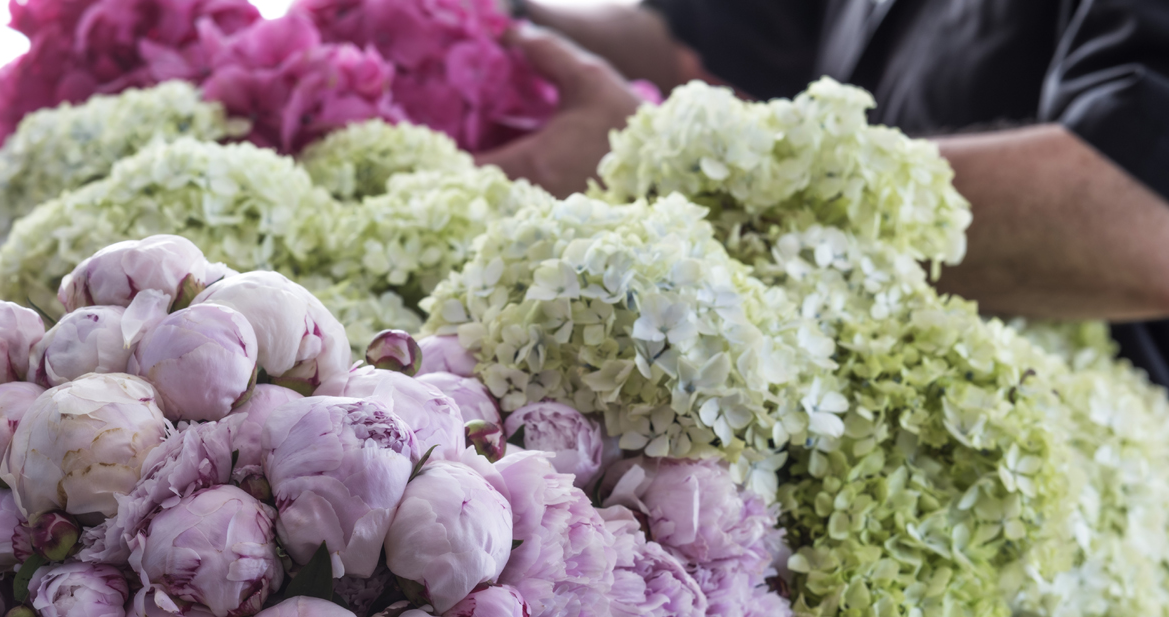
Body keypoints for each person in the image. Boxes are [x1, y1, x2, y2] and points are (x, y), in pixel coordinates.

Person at [476, 1, 1169, 384]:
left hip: (1080, 517)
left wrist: (655, 162)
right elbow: (707, 43)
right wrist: (494, 17)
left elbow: (1138, 213)